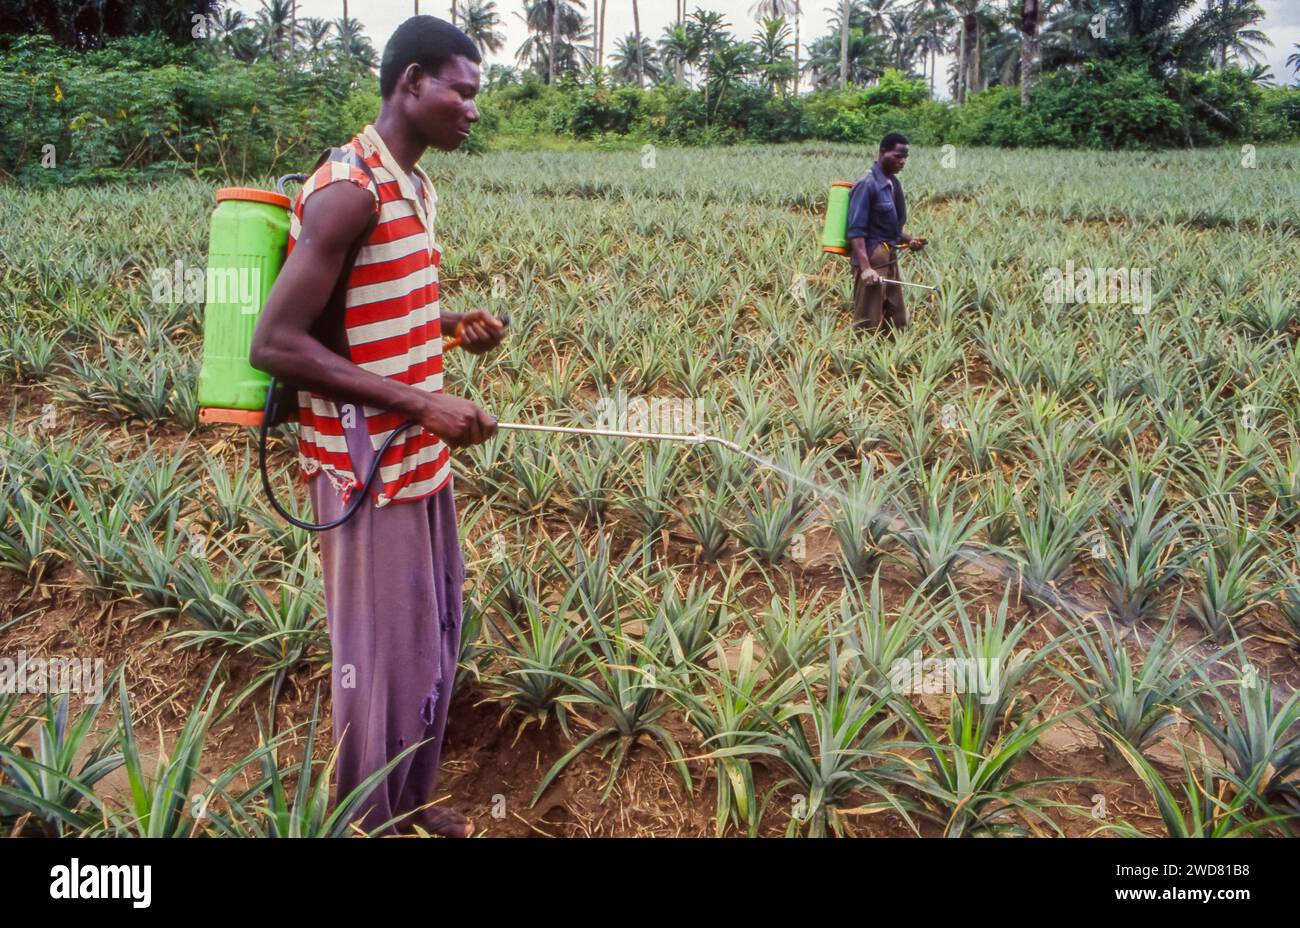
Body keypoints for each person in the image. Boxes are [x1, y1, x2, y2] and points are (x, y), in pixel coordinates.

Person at [249, 15, 503, 838]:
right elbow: (277, 343)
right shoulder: (348, 187)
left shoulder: (414, 185)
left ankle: (412, 800)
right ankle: (367, 821)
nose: (472, 108)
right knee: (379, 661)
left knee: (432, 637)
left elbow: (363, 314)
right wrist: (424, 402)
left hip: (415, 458)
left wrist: (449, 324)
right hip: (365, 468)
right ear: (412, 83)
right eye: (461, 91)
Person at [846, 132, 927, 332]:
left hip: (888, 255)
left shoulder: (892, 183)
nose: (903, 161)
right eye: (898, 156)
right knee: (868, 318)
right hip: (872, 257)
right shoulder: (867, 184)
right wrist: (865, 268)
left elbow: (890, 226)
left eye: (905, 156)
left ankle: (891, 357)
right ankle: (863, 356)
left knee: (895, 313)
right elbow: (856, 230)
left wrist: (909, 239)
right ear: (883, 152)